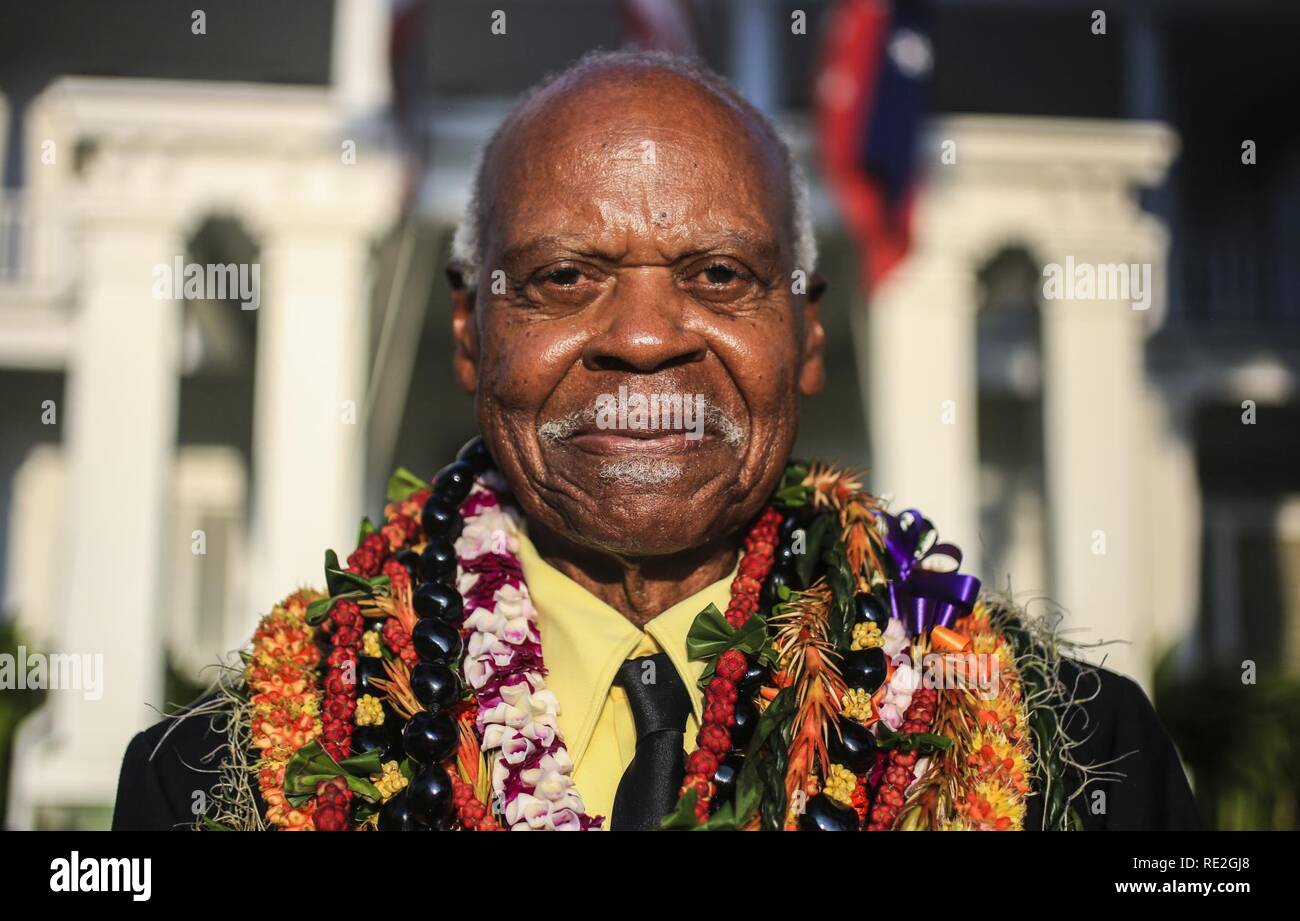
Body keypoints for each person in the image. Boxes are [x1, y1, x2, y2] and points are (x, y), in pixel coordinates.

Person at [113, 49, 1198, 832]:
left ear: (807, 332)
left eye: (717, 277)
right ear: (469, 329)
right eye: (564, 278)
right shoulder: (220, 781)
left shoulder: (1081, 762)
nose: (640, 340)